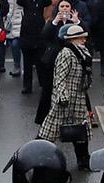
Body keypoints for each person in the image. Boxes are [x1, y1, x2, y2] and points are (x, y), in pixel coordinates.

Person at [38, 22, 96, 172]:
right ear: (72, 40)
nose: (84, 40)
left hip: (78, 98)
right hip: (64, 99)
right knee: (49, 131)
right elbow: (60, 77)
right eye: (80, 37)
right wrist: (63, 97)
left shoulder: (82, 52)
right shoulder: (66, 53)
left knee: (80, 131)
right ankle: (36, 156)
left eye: (83, 37)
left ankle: (84, 161)